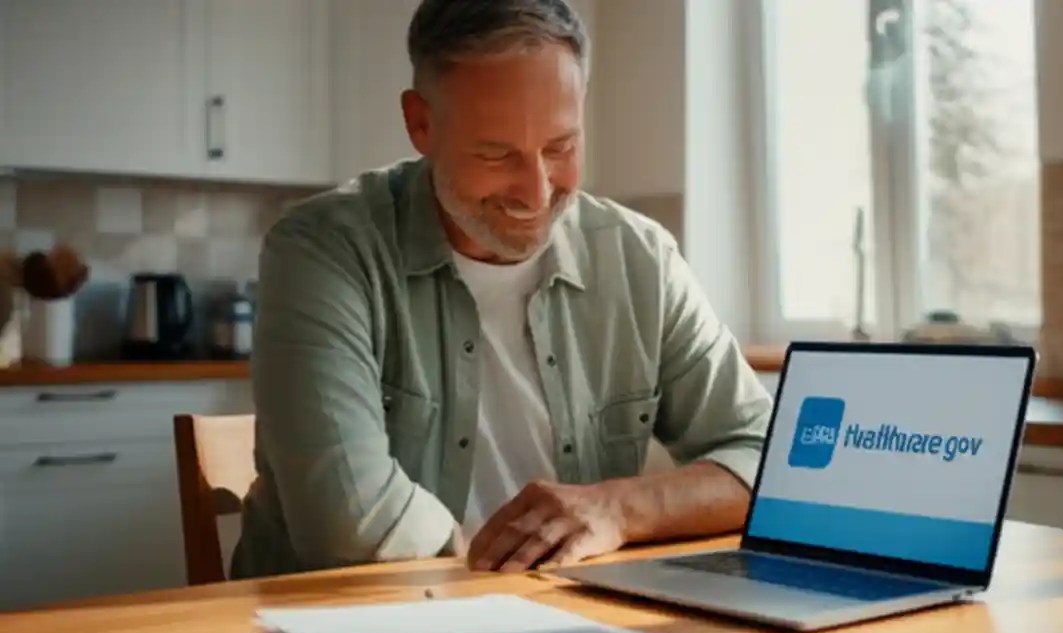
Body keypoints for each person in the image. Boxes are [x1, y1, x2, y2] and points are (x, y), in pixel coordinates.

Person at [230, 0, 772, 579]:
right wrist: (501, 572)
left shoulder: (641, 257)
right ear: (421, 124)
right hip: (348, 631)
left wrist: (615, 509)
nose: (536, 194)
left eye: (561, 147)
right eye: (496, 154)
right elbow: (348, 524)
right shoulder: (322, 250)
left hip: (574, 625)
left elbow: (767, 458)